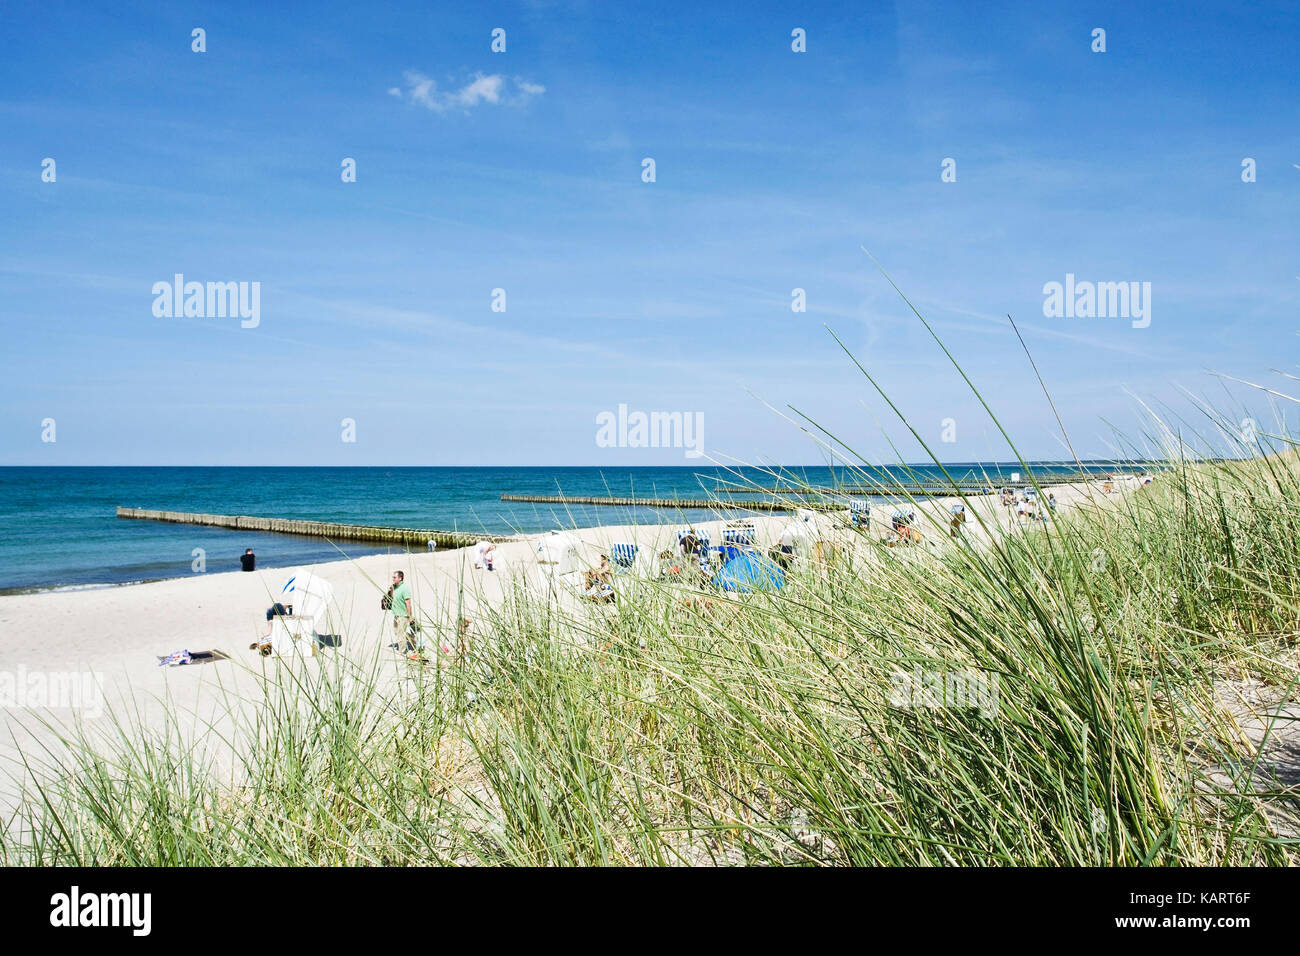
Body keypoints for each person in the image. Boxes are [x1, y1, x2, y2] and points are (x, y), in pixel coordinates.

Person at [389, 570, 416, 654]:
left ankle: (403, 651)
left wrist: (410, 616)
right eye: (393, 577)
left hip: (403, 615)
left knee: (400, 634)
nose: (393, 579)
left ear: (400, 578)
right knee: (397, 632)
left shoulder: (405, 588)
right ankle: (413, 638)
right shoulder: (395, 587)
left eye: (394, 577)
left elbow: (408, 603)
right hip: (396, 614)